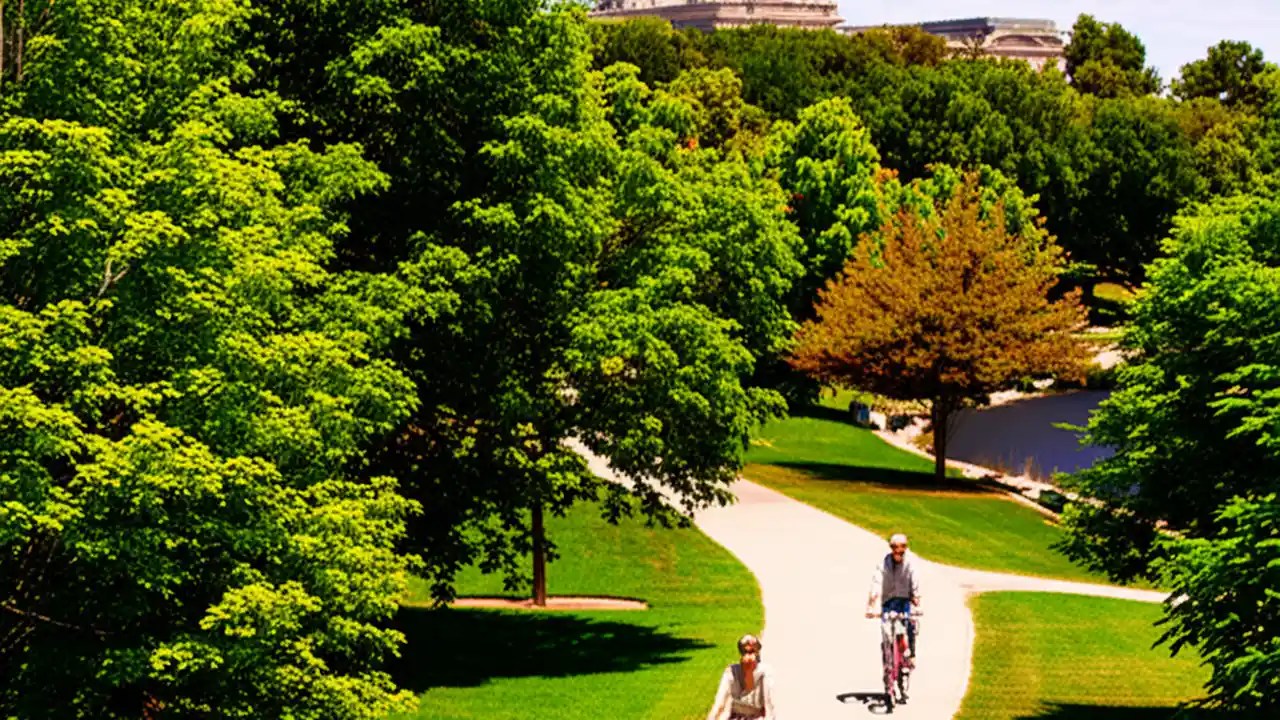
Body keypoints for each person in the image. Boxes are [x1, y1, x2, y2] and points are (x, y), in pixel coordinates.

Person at [865, 533, 921, 663]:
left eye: (902, 547)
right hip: (888, 601)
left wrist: (916, 597)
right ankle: (888, 661)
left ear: (905, 547)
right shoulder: (885, 563)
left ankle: (911, 654)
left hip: (905, 600)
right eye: (895, 547)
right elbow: (877, 581)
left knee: (909, 624)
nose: (898, 550)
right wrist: (871, 603)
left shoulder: (910, 562)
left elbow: (914, 579)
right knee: (886, 633)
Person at [706, 633, 779, 719]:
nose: (748, 656)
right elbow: (719, 702)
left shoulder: (765, 672)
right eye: (745, 652)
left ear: (757, 653)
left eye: (751, 651)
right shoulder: (731, 671)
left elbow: (769, 704)